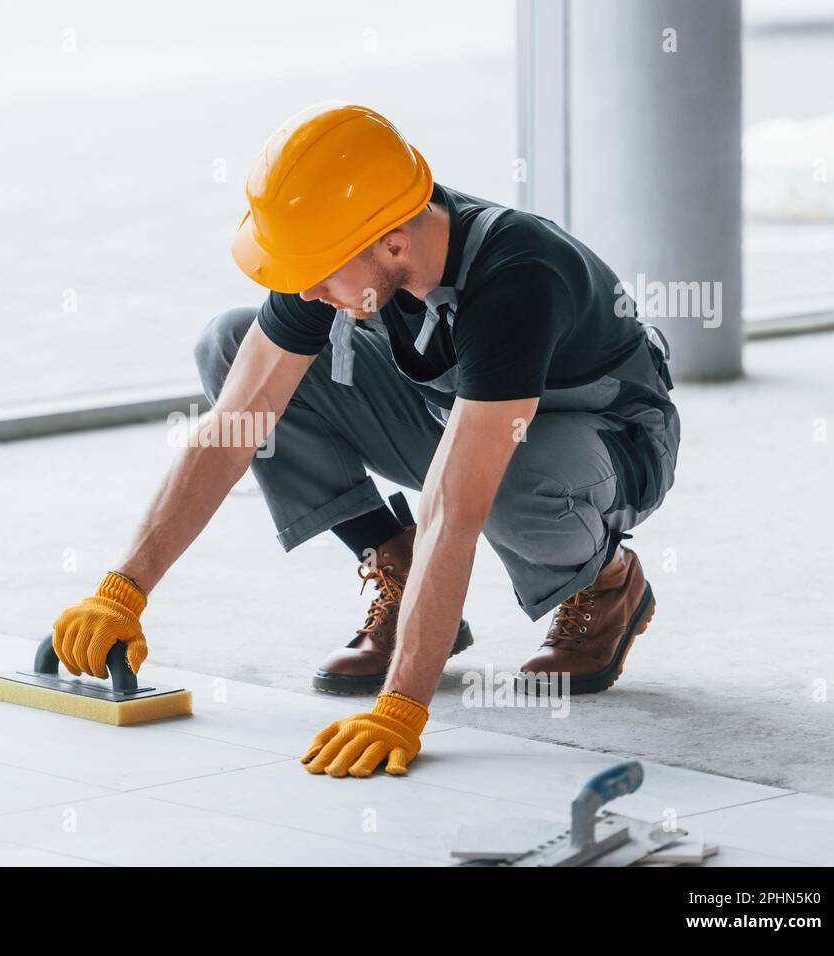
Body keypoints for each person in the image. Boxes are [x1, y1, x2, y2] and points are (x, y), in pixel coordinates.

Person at [49, 101, 680, 778]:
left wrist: (401, 705)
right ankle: (399, 566)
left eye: (319, 275)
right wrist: (123, 589)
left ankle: (606, 581)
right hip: (452, 414)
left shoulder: (518, 278)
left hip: (600, 439)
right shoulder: (339, 253)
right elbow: (234, 427)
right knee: (235, 347)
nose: (307, 290)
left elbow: (455, 506)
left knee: (506, 485)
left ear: (395, 244)